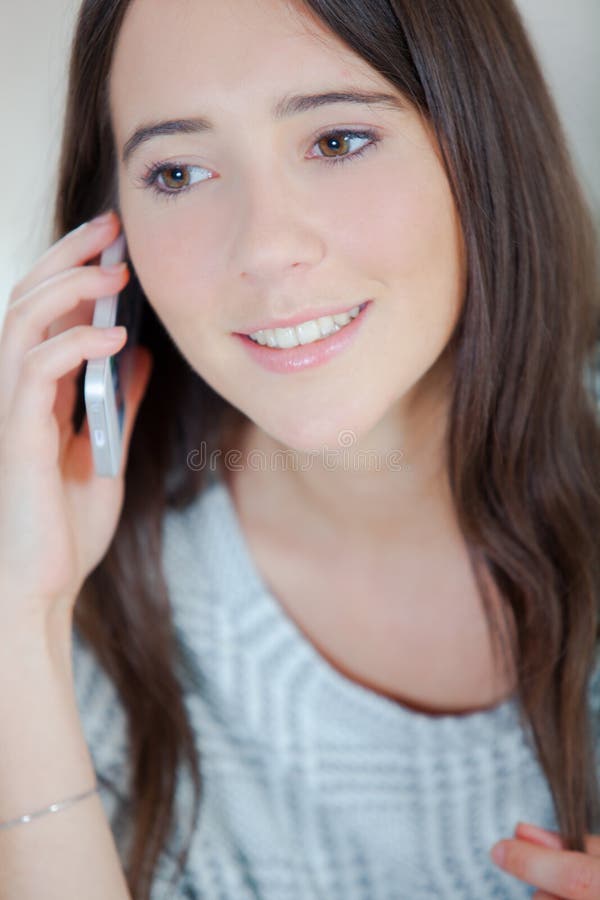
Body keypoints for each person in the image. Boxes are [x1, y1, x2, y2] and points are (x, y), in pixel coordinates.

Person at [1, 0, 599, 897]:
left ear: (478, 141)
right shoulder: (88, 616)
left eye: (337, 142)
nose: (268, 247)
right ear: (110, 239)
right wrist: (19, 616)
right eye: (177, 171)